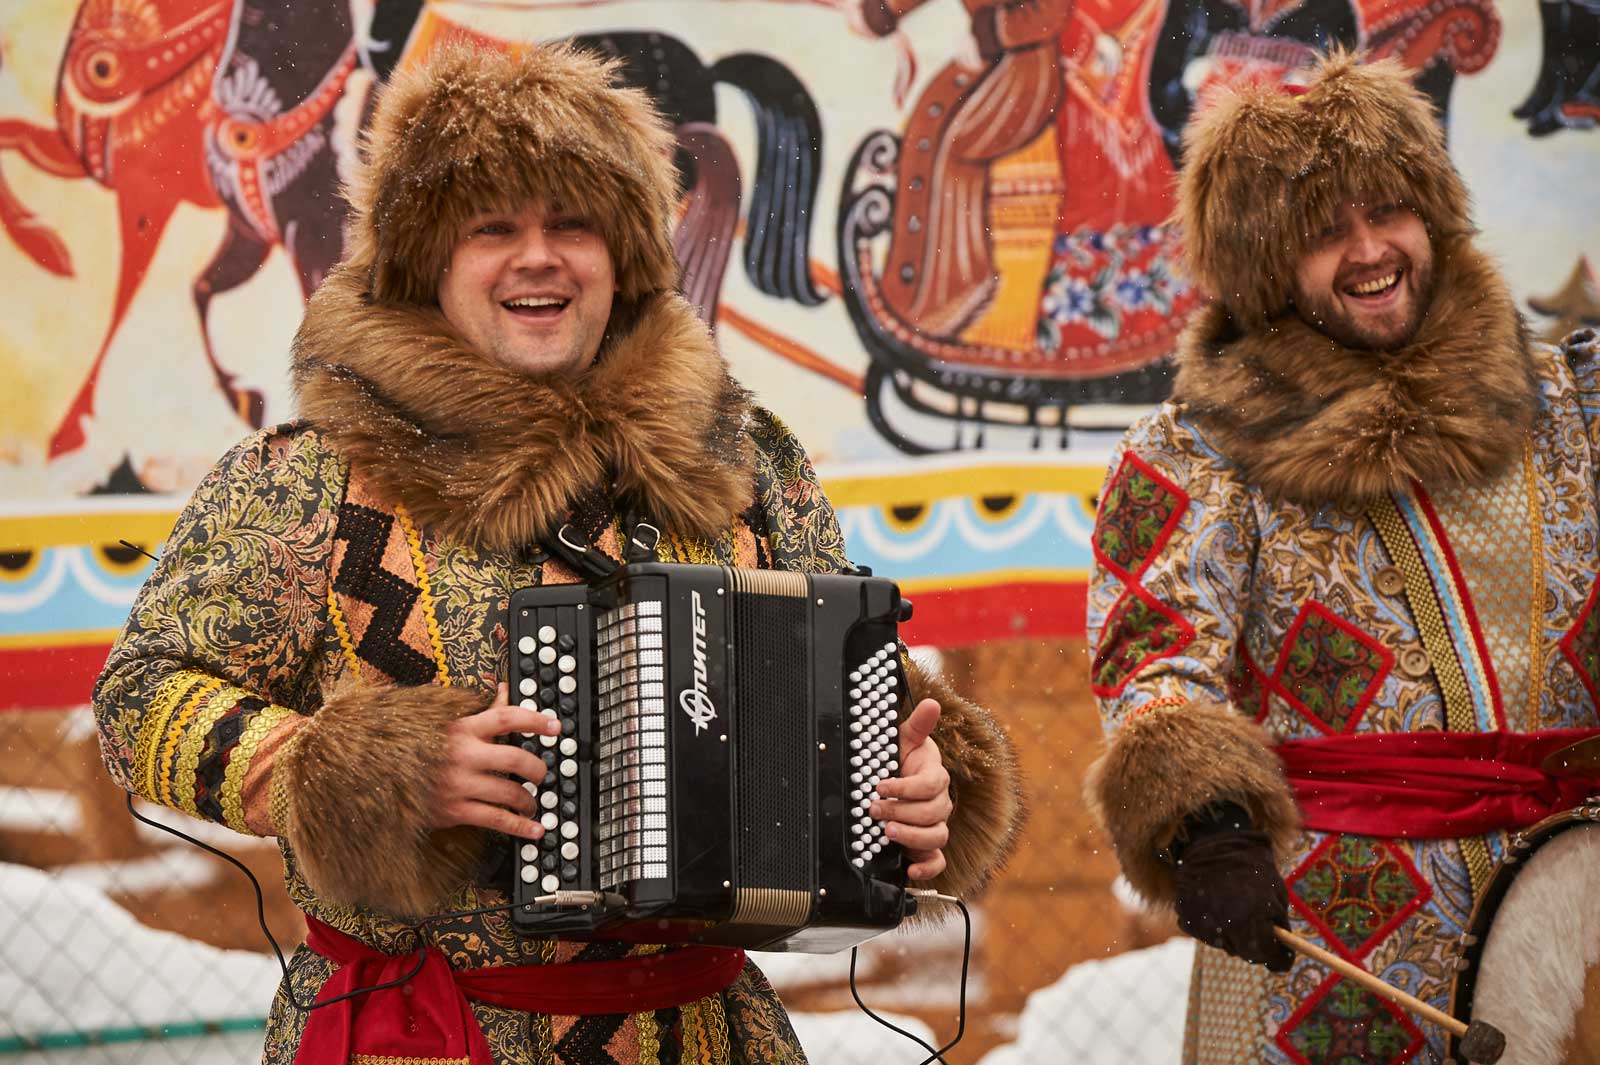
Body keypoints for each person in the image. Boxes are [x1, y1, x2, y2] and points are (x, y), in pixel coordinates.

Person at [93, 42, 1023, 1064]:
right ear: (429, 265)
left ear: (621, 256)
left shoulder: (746, 460)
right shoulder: (307, 476)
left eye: (571, 225)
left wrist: (917, 787)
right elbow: (141, 697)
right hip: (423, 1033)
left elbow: (848, 702)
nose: (537, 257)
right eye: (493, 229)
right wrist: (359, 774)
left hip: (706, 1036)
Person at [1085, 51, 1600, 1064]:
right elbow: (1155, 655)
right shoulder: (1195, 447)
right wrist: (1208, 822)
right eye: (1324, 232)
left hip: (1575, 922)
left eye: (1390, 213)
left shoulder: (1570, 406)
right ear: (1266, 265)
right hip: (1330, 937)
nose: (1370, 250)